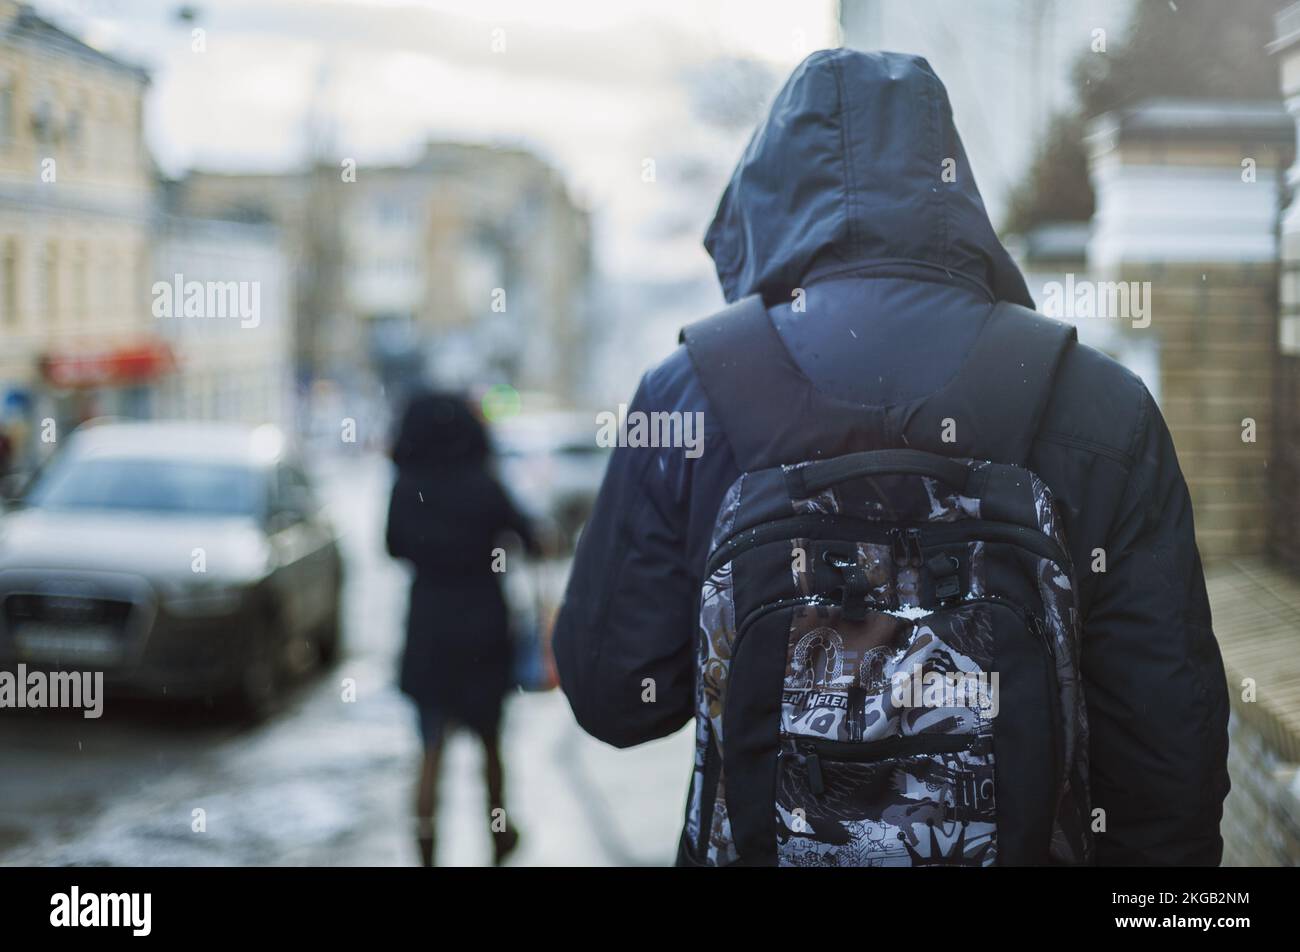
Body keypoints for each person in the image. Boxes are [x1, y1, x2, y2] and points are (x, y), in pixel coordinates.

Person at [552, 49, 1229, 866]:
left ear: (764, 195)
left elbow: (615, 698)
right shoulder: (1097, 403)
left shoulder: (690, 394)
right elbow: (1168, 758)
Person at [385, 390, 537, 866]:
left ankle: (426, 847)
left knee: (430, 747)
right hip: (483, 629)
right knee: (491, 744)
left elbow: (392, 546)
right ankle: (498, 832)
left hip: (429, 629)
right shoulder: (483, 483)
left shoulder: (407, 485)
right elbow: (530, 538)